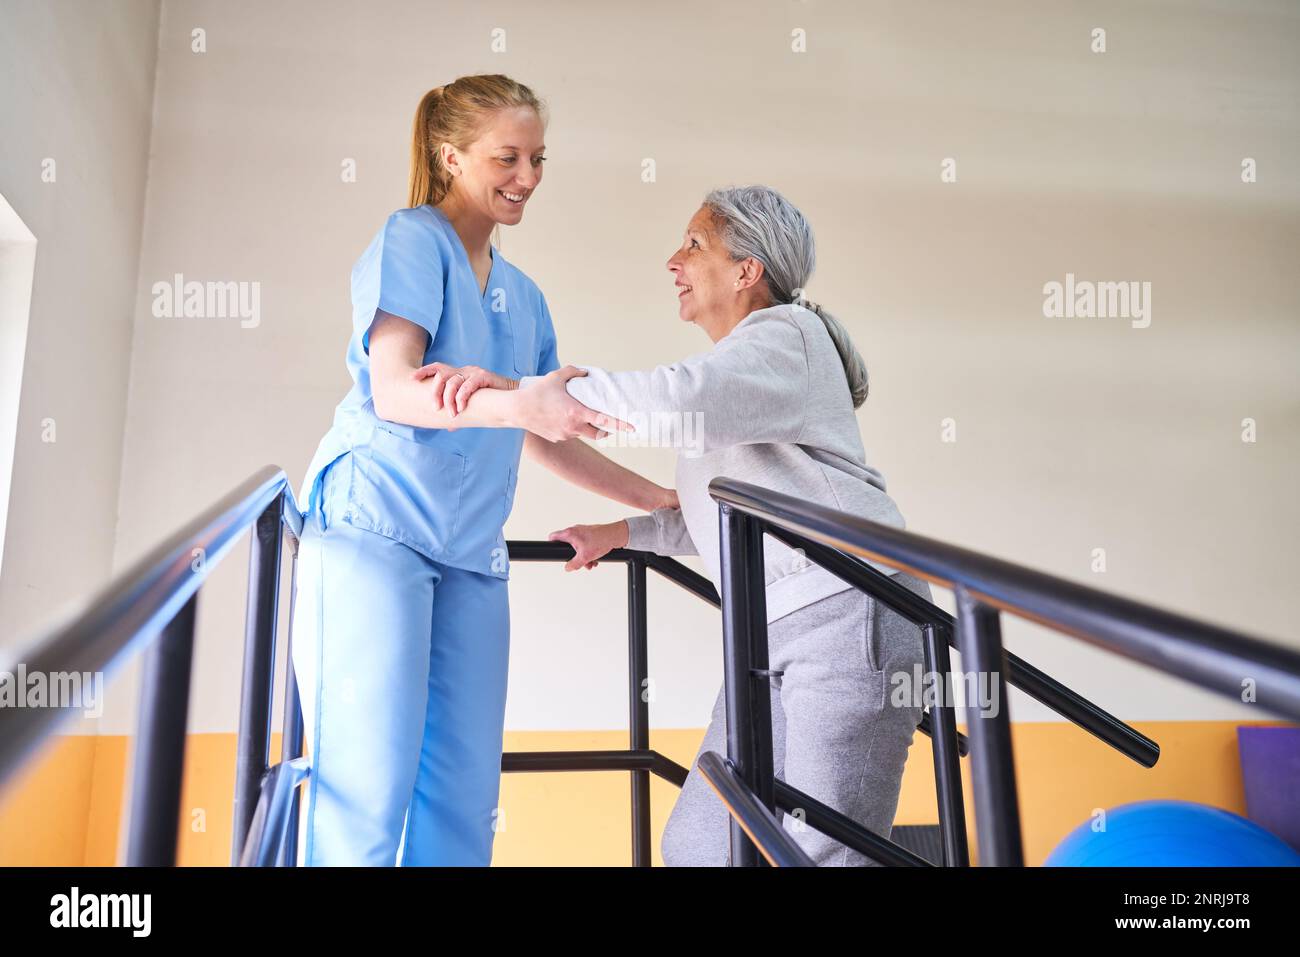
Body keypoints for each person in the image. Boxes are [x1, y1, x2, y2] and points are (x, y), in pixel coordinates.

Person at [427, 185, 932, 865]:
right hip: (768, 629)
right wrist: (628, 534)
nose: (674, 260)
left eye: (694, 244)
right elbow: (726, 519)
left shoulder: (786, 336)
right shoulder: (736, 386)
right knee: (701, 844)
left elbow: (672, 398)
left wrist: (533, 396)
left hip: (851, 610)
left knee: (825, 852)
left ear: (748, 270)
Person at [291, 74, 676, 866]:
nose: (527, 177)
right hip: (376, 529)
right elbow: (397, 390)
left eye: (538, 158)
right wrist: (520, 406)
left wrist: (660, 499)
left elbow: (545, 431)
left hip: (469, 553)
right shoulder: (411, 239)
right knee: (366, 792)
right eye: (507, 157)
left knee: (465, 806)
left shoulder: (525, 299)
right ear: (450, 155)